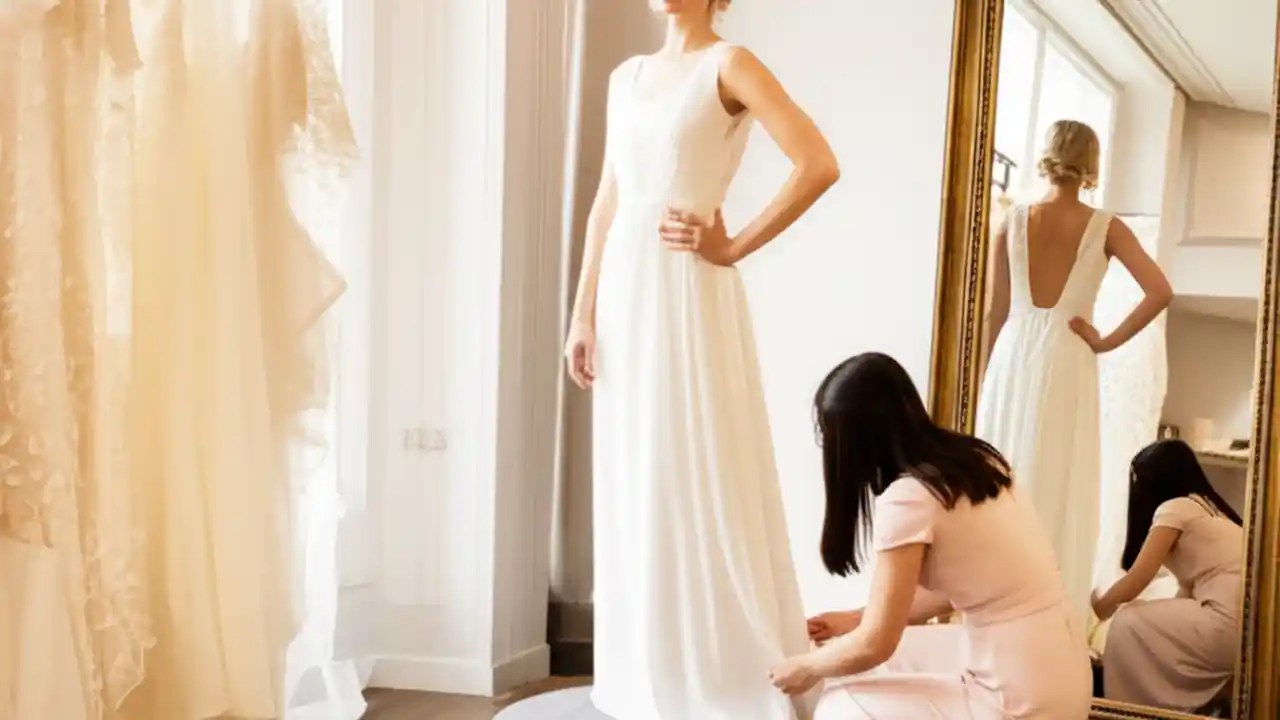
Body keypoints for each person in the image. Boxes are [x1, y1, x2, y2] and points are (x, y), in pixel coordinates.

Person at [562, 1, 840, 717]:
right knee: (635, 472)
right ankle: (643, 666)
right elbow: (607, 200)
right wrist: (582, 313)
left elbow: (818, 163)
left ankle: (720, 671)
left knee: (693, 463)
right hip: (626, 295)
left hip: (687, 292)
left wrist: (733, 244)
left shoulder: (730, 64)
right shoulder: (625, 77)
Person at [769, 353, 1091, 719]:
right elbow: (956, 591)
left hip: (1022, 698)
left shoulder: (908, 496)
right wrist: (856, 619)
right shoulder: (978, 460)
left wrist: (806, 667)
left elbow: (875, 645)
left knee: (838, 704)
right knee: (859, 662)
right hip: (1065, 672)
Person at [976, 119, 1174, 629]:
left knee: (1005, 474)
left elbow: (994, 315)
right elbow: (1160, 290)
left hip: (1012, 356)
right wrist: (1107, 341)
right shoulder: (1105, 225)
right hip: (1066, 355)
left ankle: (990, 606)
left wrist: (985, 384)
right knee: (1057, 481)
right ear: (1091, 163)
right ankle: (1044, 618)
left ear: (1046, 155)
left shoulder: (1013, 221)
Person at [1092, 440, 1243, 712]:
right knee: (1147, 621)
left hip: (1223, 625)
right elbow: (1188, 591)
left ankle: (1126, 710)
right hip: (1242, 631)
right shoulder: (1211, 509)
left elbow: (1139, 577)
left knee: (1127, 621)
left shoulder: (1176, 508)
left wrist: (1100, 607)